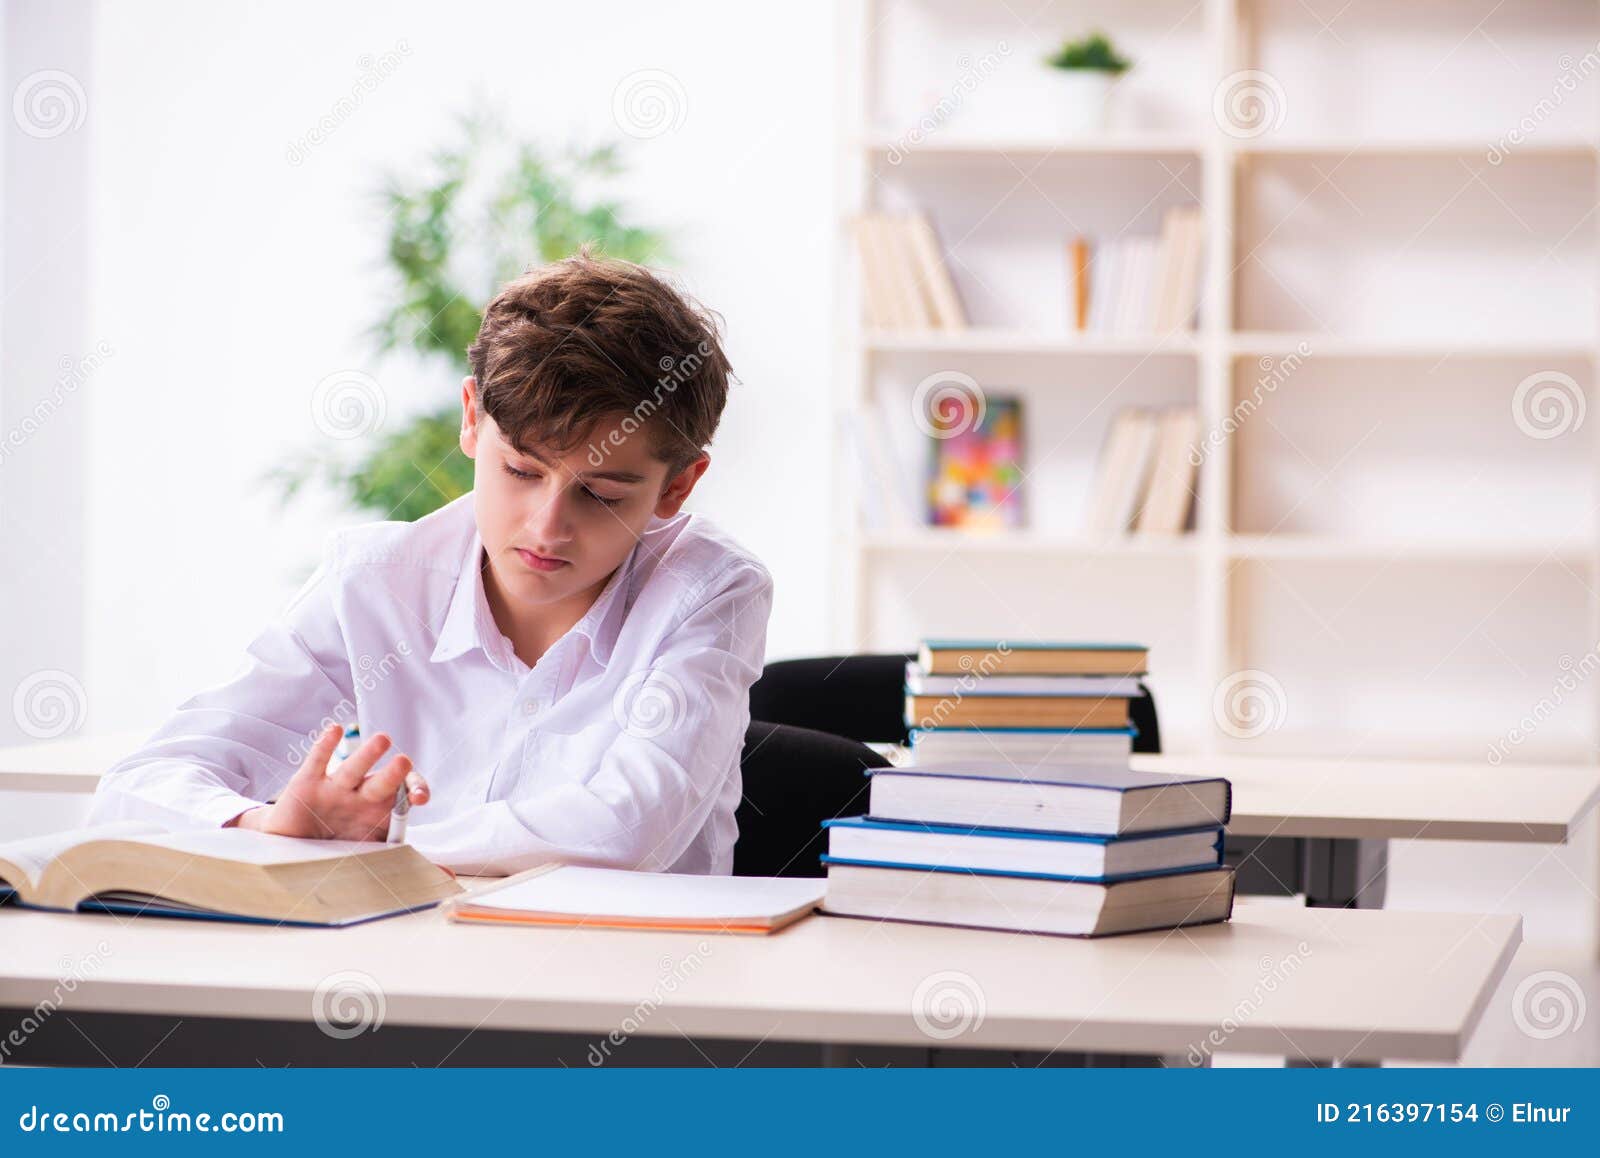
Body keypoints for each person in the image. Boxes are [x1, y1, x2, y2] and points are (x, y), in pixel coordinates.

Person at [88, 249, 773, 876]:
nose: (546, 527)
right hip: (396, 956)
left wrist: (374, 848)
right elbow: (138, 788)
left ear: (677, 487)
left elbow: (626, 831)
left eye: (601, 494)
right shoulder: (373, 582)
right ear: (472, 418)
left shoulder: (709, 592)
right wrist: (264, 825)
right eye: (521, 470)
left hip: (624, 967)